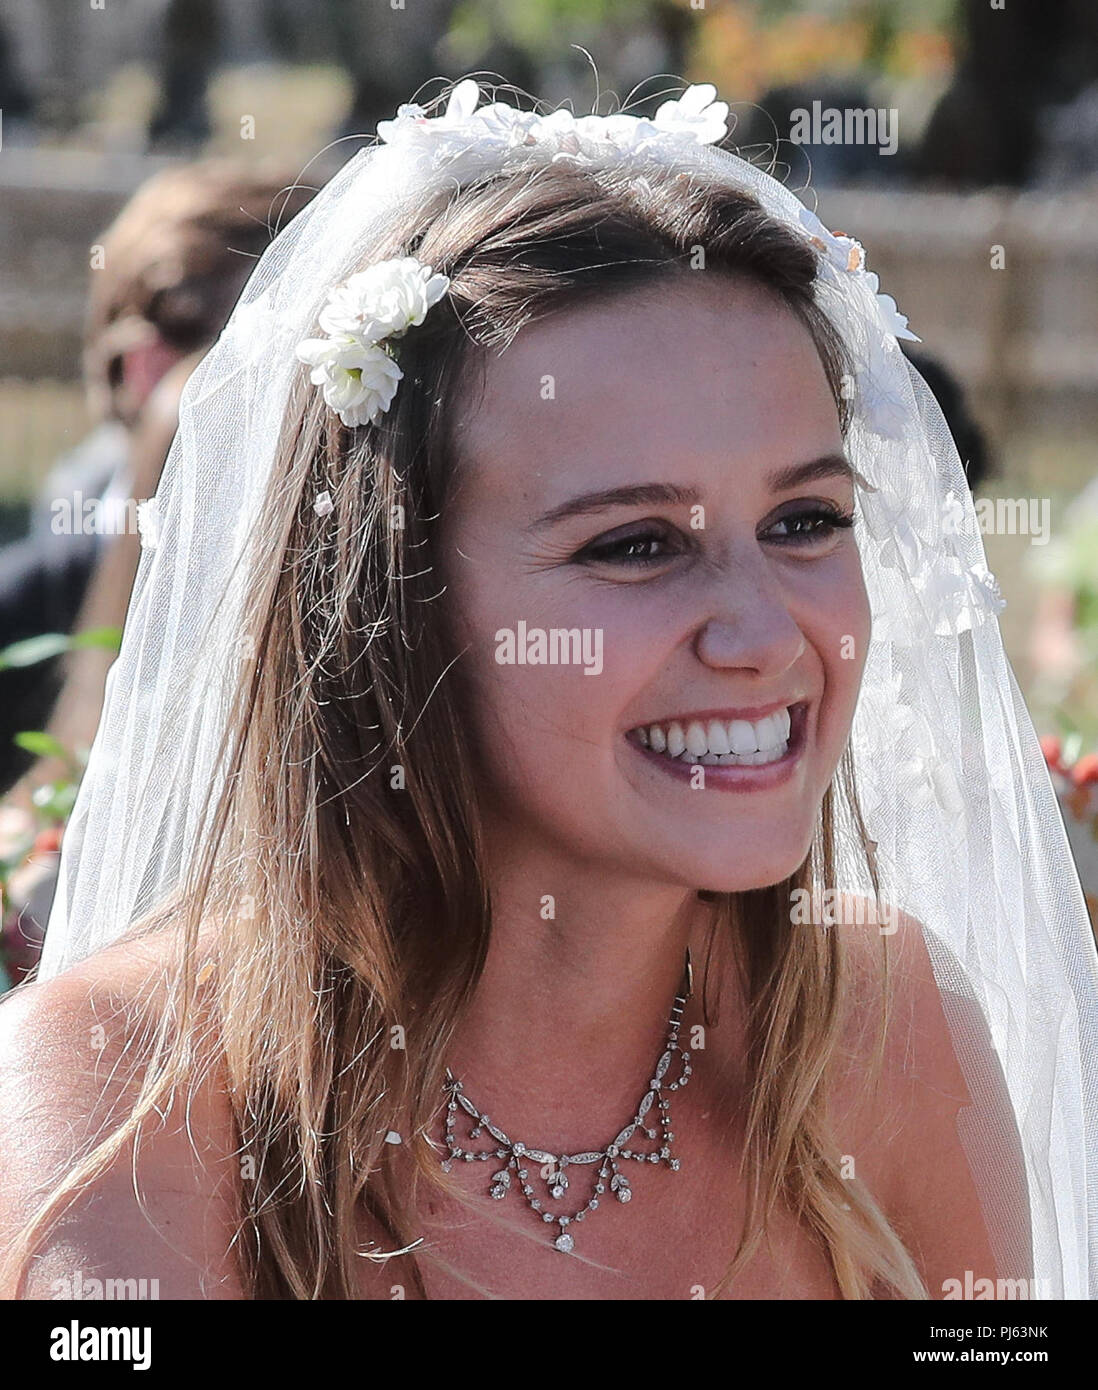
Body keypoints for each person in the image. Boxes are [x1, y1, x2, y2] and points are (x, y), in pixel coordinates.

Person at [0, 77, 1095, 1301]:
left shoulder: (887, 1028)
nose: (762, 633)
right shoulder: (120, 1087)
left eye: (804, 520)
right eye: (634, 543)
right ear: (391, 599)